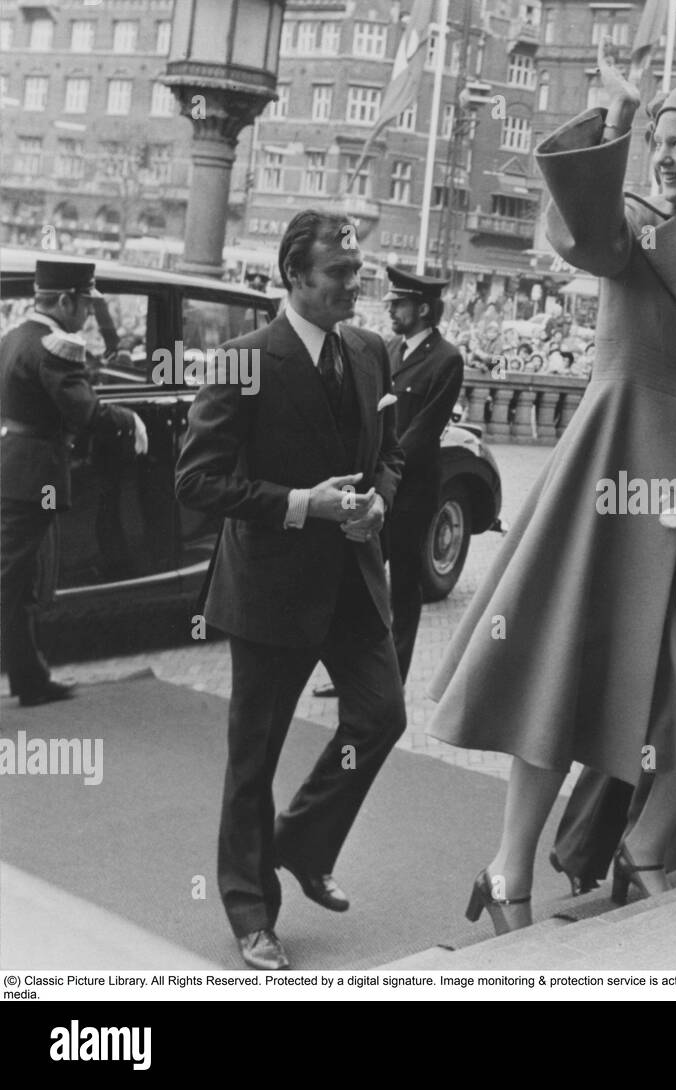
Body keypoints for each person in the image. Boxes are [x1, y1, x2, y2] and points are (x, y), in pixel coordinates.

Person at [428, 48, 676, 933]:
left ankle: (645, 845)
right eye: (661, 140)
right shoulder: (635, 224)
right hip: (613, 466)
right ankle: (509, 867)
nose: (668, 156)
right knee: (562, 668)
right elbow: (581, 230)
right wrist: (616, 117)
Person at [175, 210, 407, 970]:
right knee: (254, 759)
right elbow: (199, 481)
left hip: (351, 581)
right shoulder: (244, 360)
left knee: (379, 718)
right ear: (294, 277)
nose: (355, 284)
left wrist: (378, 501)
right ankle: (250, 912)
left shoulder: (372, 352)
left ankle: (302, 843)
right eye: (339, 274)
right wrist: (304, 503)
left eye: (356, 270)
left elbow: (392, 457)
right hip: (272, 589)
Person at [0, 260, 146, 706]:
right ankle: (30, 679)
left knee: (21, 581)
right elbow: (86, 413)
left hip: (11, 467)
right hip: (34, 478)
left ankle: (30, 679)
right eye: (85, 303)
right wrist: (130, 418)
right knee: (7, 580)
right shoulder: (53, 347)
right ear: (64, 300)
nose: (86, 313)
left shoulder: (13, 337)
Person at [315, 268, 464, 694]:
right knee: (358, 583)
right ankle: (351, 676)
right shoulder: (390, 348)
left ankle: (390, 680)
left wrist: (383, 469)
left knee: (405, 586)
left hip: (411, 490)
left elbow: (422, 431)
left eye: (397, 304)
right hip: (380, 483)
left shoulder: (447, 358)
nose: (390, 310)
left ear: (421, 309)